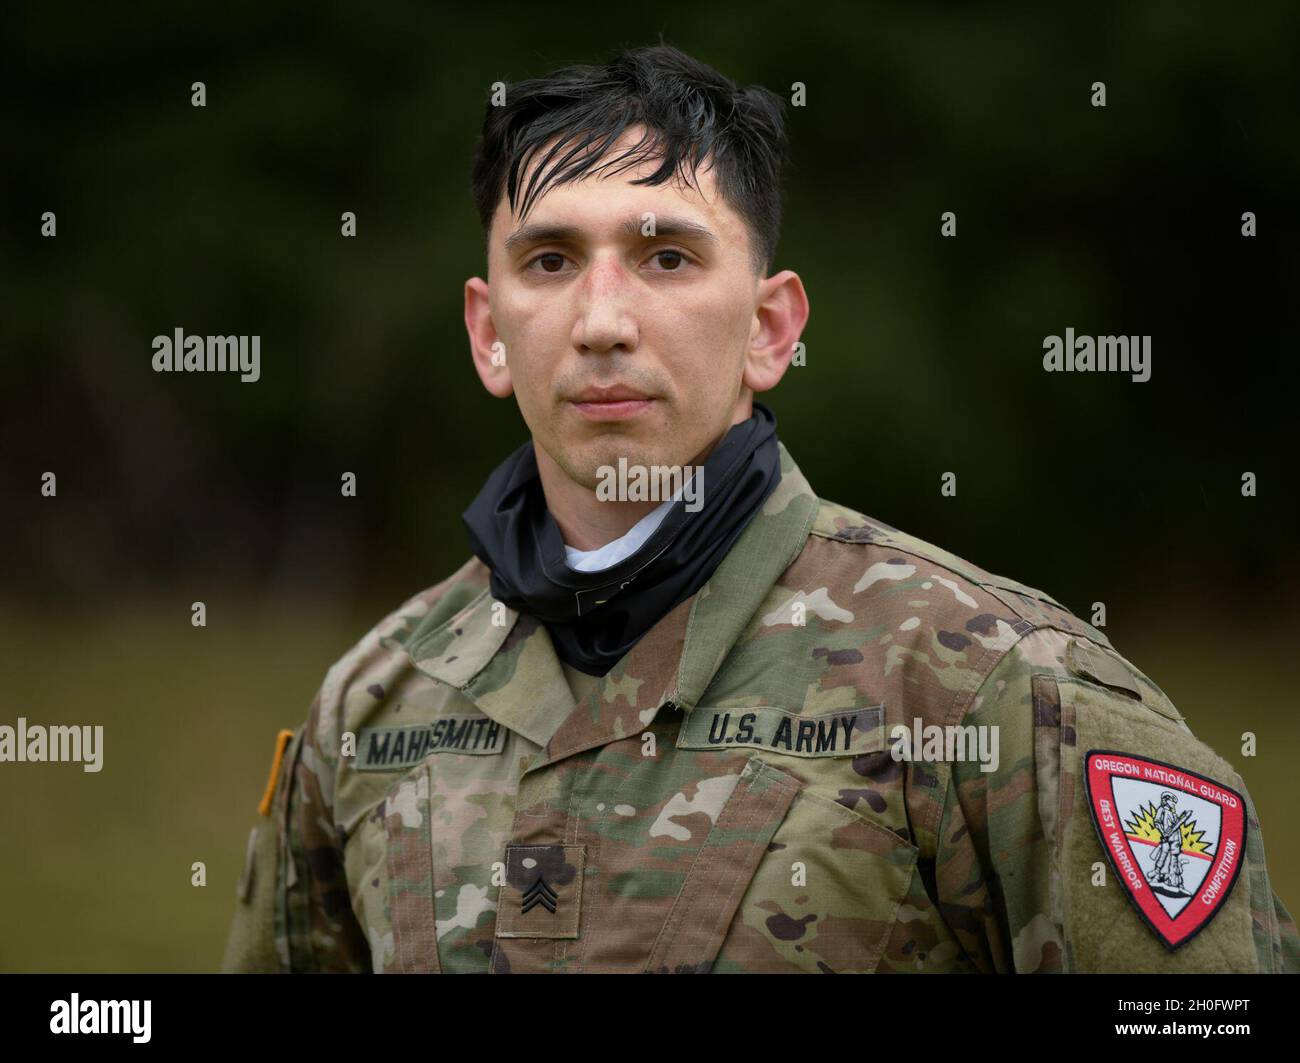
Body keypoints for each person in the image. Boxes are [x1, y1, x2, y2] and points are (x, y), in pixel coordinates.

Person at [221, 43, 1298, 974]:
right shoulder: (372, 710)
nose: (600, 319)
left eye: (666, 257)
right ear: (488, 331)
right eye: (548, 260)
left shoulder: (999, 694)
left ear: (770, 330)